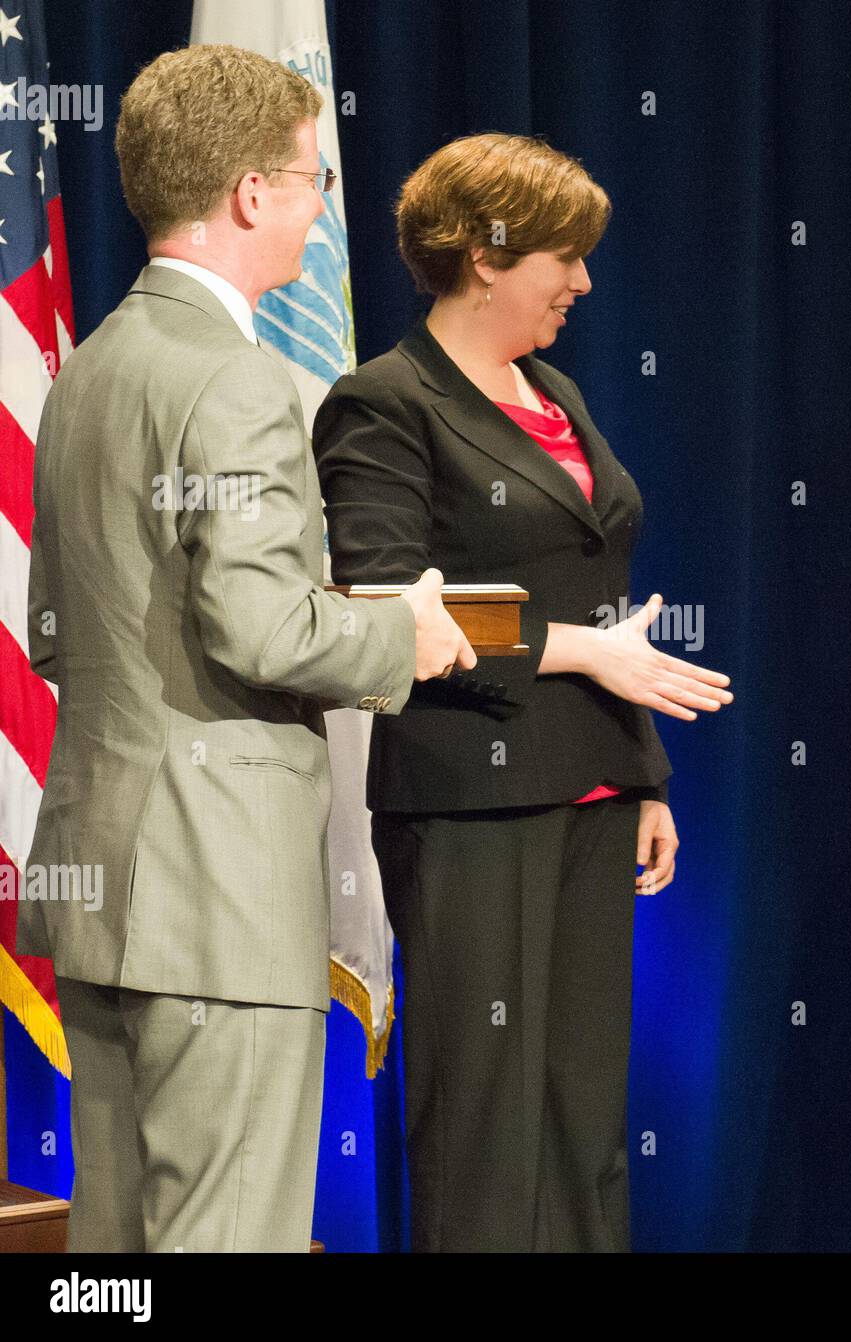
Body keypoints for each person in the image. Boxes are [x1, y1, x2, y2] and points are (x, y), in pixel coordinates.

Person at [19, 45, 472, 1253]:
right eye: (314, 179)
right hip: (214, 906)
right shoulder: (235, 381)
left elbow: (57, 628)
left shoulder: (87, 371)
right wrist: (404, 629)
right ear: (250, 195)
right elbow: (261, 627)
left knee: (111, 1263)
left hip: (105, 886)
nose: (325, 205)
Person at [313, 132, 733, 1252]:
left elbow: (604, 598)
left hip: (589, 791)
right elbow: (390, 604)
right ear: (486, 256)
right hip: (468, 804)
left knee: (582, 1120)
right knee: (485, 1127)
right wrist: (586, 655)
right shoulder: (383, 401)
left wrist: (641, 770)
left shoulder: (551, 387)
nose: (583, 282)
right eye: (564, 255)